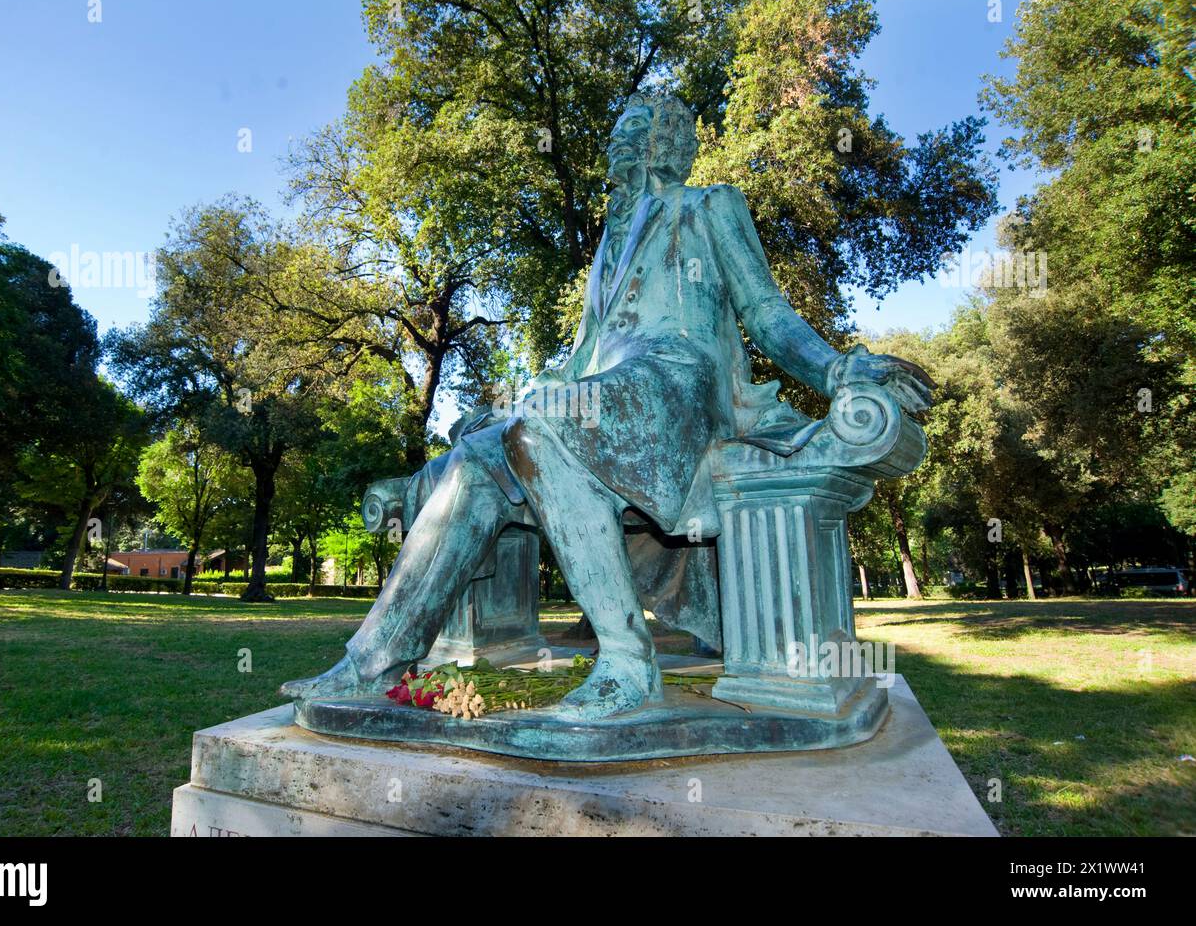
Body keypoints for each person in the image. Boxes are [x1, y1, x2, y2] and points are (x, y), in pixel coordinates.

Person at [281, 93, 931, 719]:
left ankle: (626, 662)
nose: (616, 136)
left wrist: (837, 367)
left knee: (541, 424)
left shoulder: (707, 206)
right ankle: (376, 661)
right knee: (475, 458)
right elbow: (580, 355)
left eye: (632, 125)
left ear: (663, 142)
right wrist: (517, 401)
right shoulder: (606, 248)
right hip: (613, 393)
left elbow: (765, 311)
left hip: (677, 386)